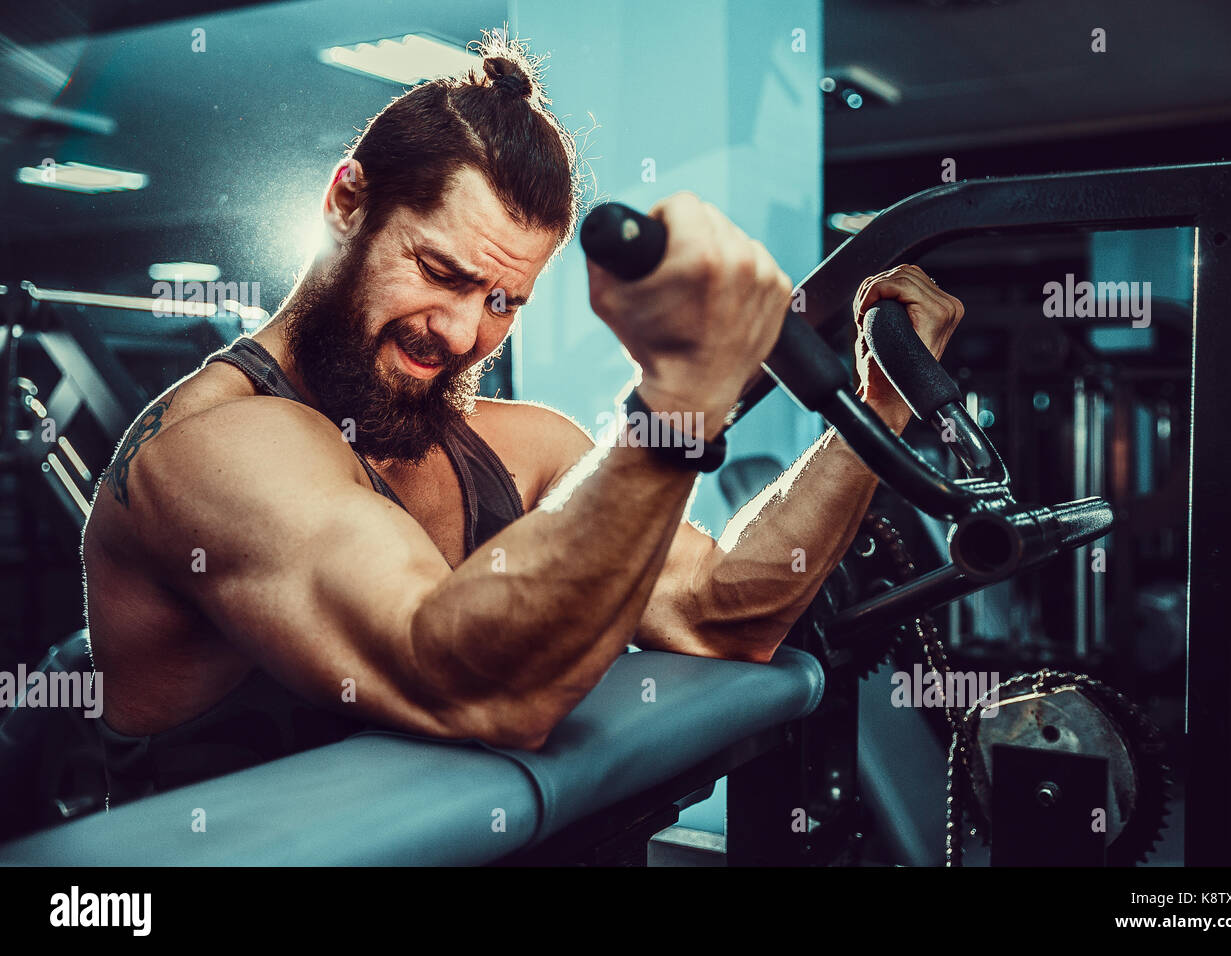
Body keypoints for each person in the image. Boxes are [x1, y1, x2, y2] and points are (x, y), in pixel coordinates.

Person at [82, 32, 964, 805]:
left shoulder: (517, 446)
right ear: (347, 203)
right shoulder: (214, 451)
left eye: (504, 299)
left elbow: (721, 616)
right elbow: (471, 685)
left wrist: (876, 406)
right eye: (441, 272)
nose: (466, 333)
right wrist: (675, 402)